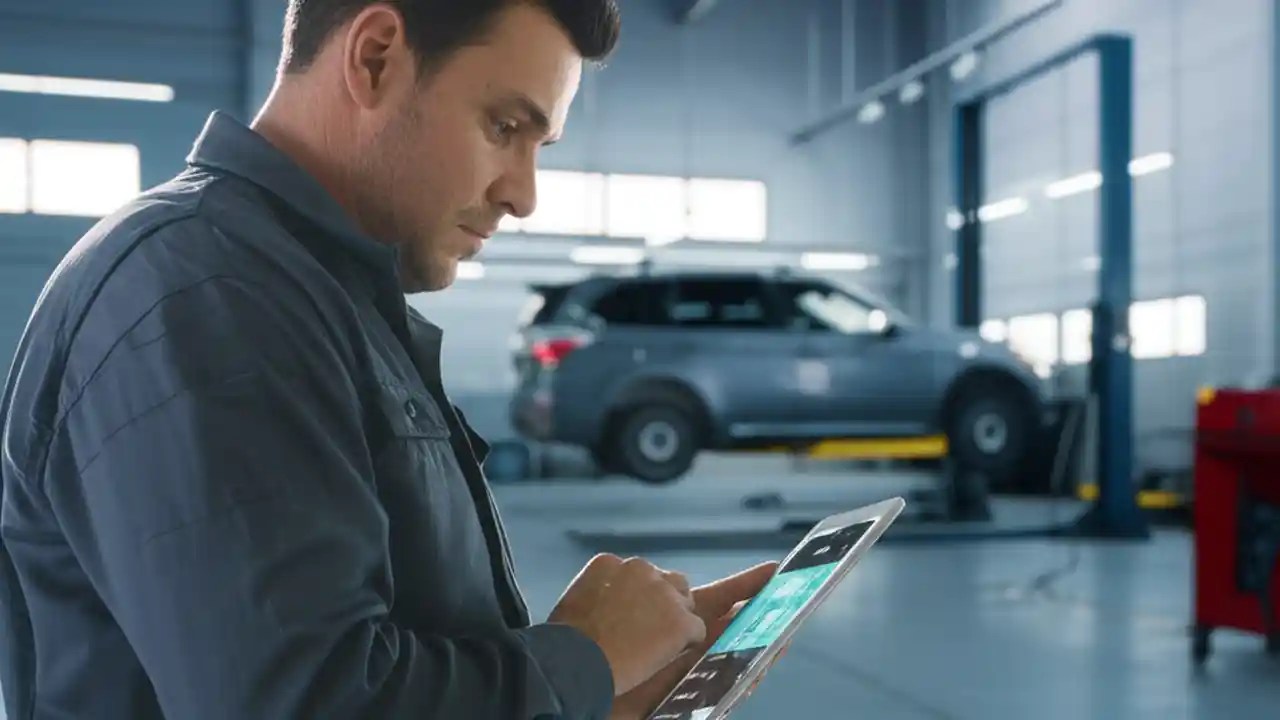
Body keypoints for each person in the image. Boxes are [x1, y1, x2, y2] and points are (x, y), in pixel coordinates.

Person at [0, 1, 779, 718]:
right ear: (374, 58)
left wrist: (601, 694)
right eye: (505, 127)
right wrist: (579, 662)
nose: (524, 194)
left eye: (539, 146)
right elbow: (307, 704)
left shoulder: (312, 296)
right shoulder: (201, 295)